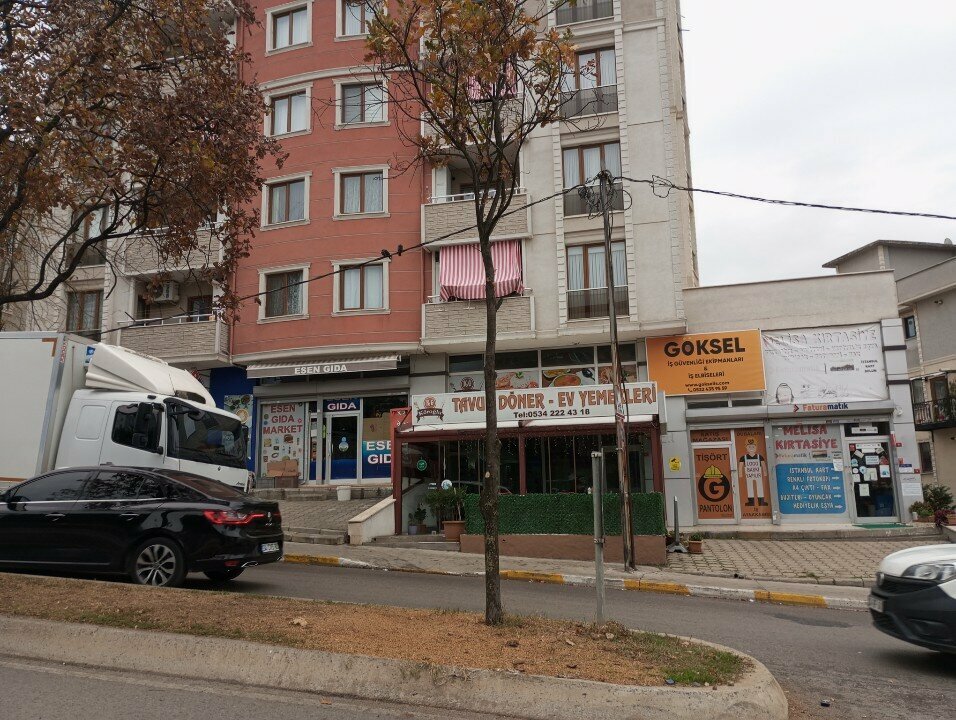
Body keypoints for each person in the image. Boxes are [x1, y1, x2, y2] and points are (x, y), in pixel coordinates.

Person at [738, 438, 769, 507]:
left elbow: (764, 466)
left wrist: (765, 474)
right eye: (749, 447)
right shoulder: (743, 458)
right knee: (750, 488)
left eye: (753, 446)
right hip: (749, 476)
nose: (751, 448)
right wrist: (740, 475)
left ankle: (761, 501)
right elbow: (740, 467)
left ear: (756, 447)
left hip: (758, 475)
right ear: (746, 448)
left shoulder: (759, 457)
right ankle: (751, 502)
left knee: (760, 487)